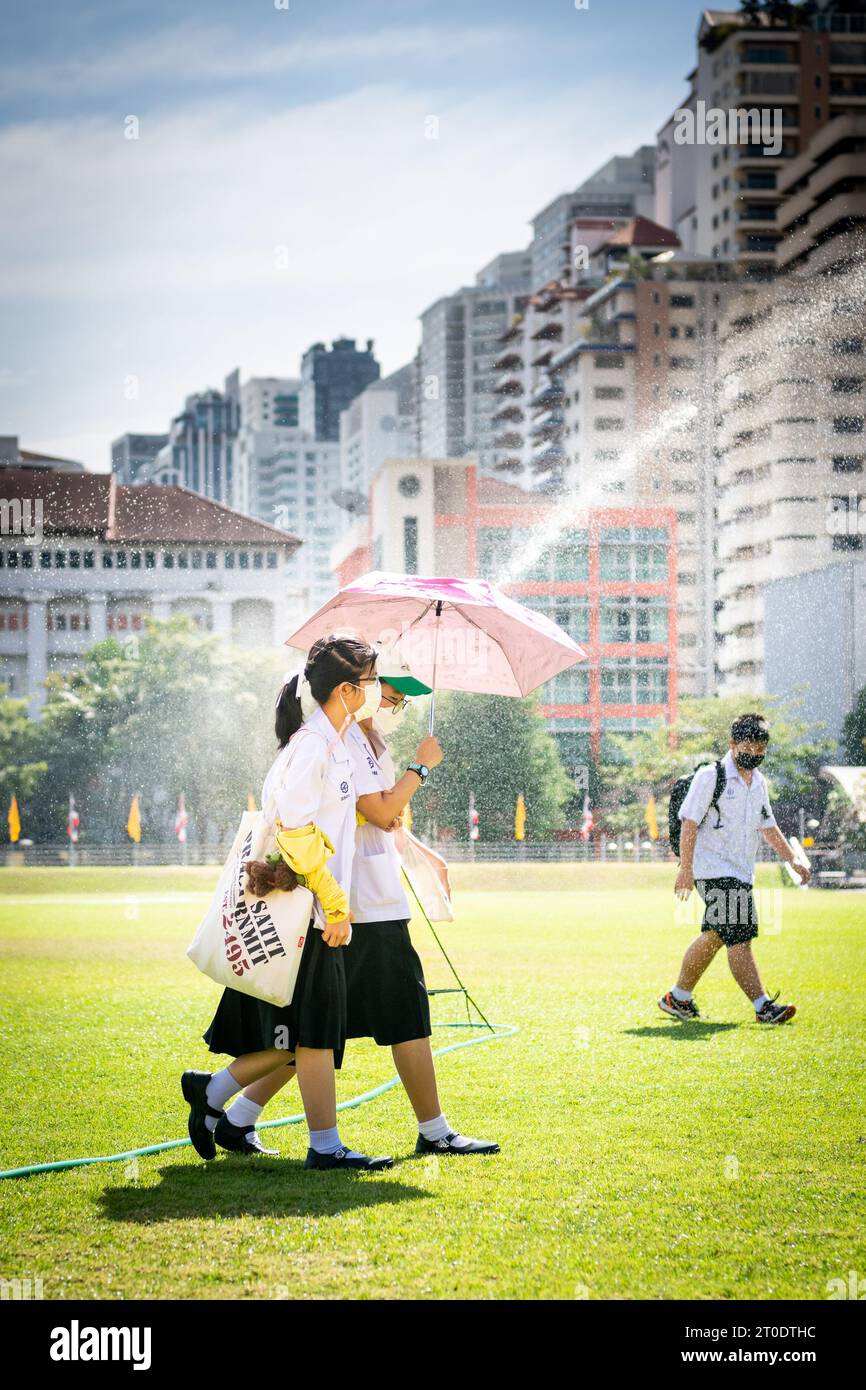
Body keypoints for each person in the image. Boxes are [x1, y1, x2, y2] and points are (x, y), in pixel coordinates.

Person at [228, 650, 500, 1157]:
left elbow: (383, 816)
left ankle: (236, 1110)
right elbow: (373, 812)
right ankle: (427, 1131)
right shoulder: (339, 739)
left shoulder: (360, 740)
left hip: (359, 898)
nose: (396, 705)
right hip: (355, 903)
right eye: (390, 693)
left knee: (325, 1026)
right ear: (356, 691)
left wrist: (402, 820)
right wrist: (421, 766)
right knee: (387, 1015)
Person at [181, 633, 394, 1170]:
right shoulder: (314, 747)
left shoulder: (332, 743)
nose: (377, 690)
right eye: (372, 683)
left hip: (315, 911)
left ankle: (215, 1092)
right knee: (314, 1036)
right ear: (347, 690)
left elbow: (331, 820)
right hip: (306, 912)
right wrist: (334, 900)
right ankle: (322, 1146)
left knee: (311, 1035)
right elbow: (296, 830)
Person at [658, 712, 810, 1025]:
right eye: (747, 748)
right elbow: (688, 823)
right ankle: (763, 1006)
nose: (753, 755)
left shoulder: (759, 784)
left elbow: (767, 825)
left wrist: (792, 858)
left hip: (740, 872)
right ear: (732, 744)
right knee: (739, 935)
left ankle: (678, 997)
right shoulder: (711, 777)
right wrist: (685, 870)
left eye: (759, 751)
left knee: (717, 934)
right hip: (712, 870)